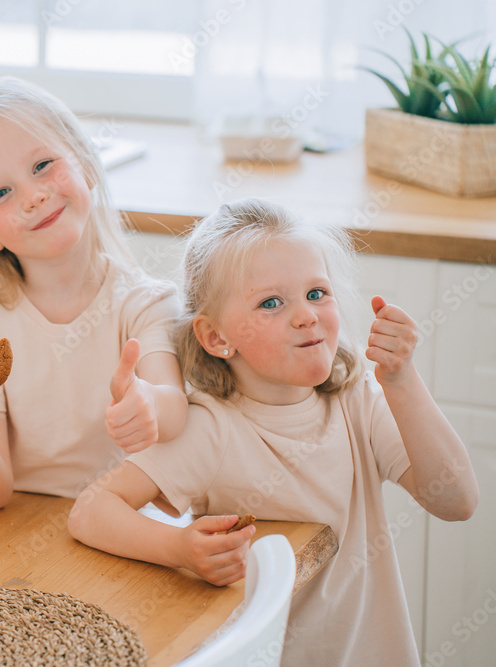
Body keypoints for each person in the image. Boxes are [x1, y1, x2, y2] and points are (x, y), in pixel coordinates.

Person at [67, 198, 479, 665]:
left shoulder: (356, 399)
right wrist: (179, 547)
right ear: (216, 337)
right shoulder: (212, 430)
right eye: (271, 303)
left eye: (317, 293)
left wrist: (402, 381)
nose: (306, 315)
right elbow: (91, 511)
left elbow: (457, 501)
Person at [0, 77, 189, 510]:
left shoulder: (145, 304)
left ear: (86, 165)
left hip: (122, 522)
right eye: (0, 193)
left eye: (42, 165)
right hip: (20, 527)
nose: (33, 196)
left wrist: (149, 405)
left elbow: (174, 408)